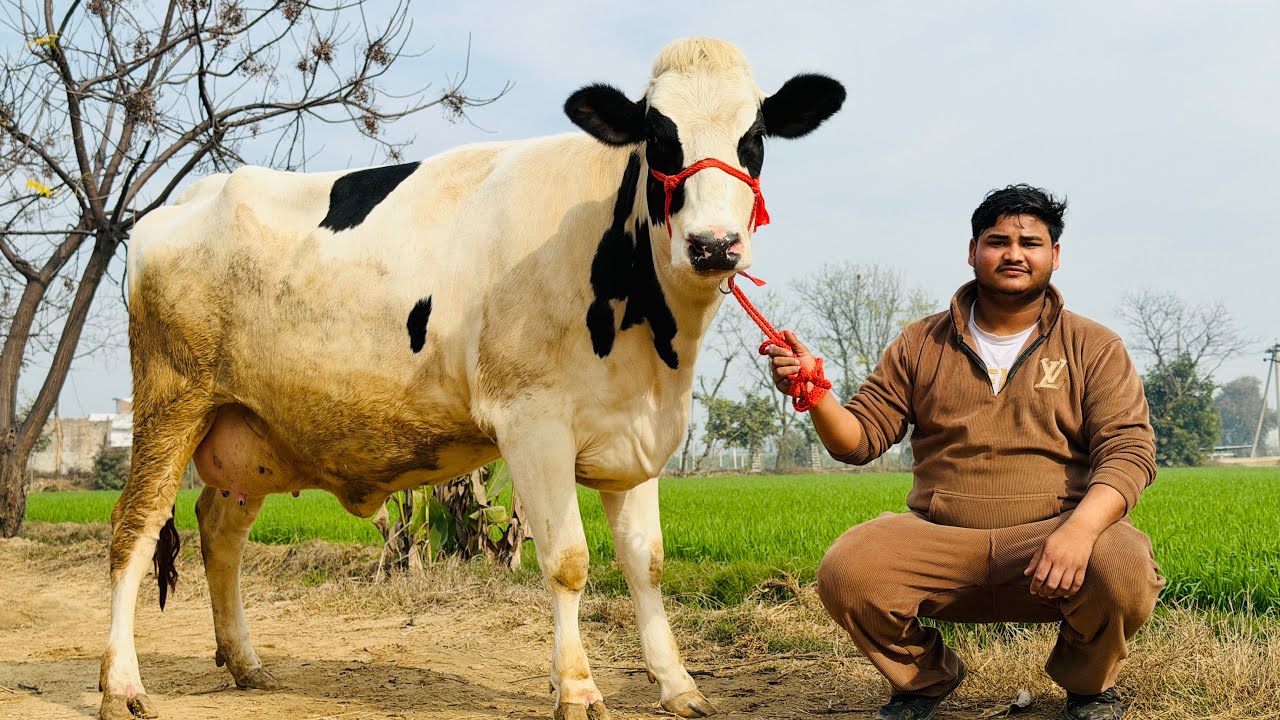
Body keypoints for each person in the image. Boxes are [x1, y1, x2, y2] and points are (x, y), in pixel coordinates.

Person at [769, 185, 1164, 720]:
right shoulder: (920, 342)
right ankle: (922, 680)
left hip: (1052, 538)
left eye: (1031, 243)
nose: (1014, 254)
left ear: (1055, 255)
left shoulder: (1093, 346)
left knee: (1123, 566)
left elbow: (1129, 452)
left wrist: (1079, 531)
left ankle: (1089, 686)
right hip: (942, 540)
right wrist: (815, 392)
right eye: (998, 242)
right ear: (973, 250)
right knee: (849, 569)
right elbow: (858, 441)